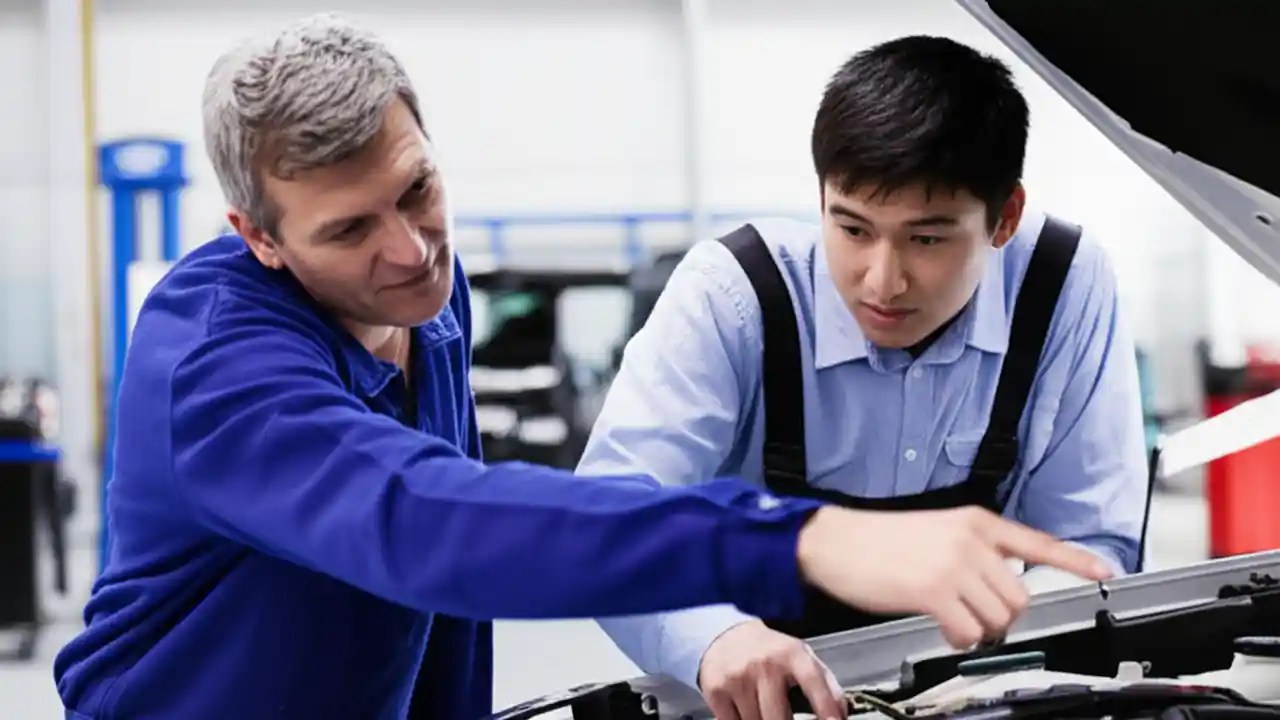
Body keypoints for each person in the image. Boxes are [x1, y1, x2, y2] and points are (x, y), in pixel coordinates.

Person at [52, 17, 1111, 720]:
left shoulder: (422, 301)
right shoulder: (217, 371)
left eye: (418, 191)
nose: (412, 249)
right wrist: (803, 537)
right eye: (348, 229)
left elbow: (436, 615)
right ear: (260, 237)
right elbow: (434, 528)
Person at [578, 35, 1150, 720]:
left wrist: (1014, 653)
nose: (883, 281)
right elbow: (609, 521)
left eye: (927, 238)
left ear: (1005, 218)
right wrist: (714, 638)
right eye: (851, 228)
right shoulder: (731, 297)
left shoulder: (1064, 286)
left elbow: (1090, 544)